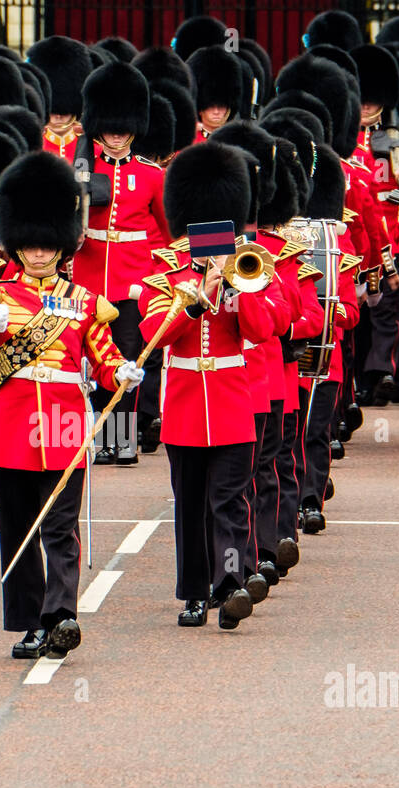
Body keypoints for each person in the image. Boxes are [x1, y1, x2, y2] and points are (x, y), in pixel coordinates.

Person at [0, 150, 142, 659]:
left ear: (61, 244)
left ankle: (61, 615)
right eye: (31, 247)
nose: (39, 255)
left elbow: (102, 355)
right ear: (17, 245)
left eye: (47, 246)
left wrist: (121, 372)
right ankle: (28, 621)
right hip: (12, 419)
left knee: (59, 526)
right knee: (17, 528)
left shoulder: (84, 301)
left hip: (61, 421)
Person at [138, 141, 277, 629]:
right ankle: (195, 592)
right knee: (191, 502)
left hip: (232, 401)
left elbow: (264, 330)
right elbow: (155, 334)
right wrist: (200, 293)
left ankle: (232, 585)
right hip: (182, 403)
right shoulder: (164, 272)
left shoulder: (249, 267)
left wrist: (238, 289)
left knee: (229, 501)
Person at [72, 60, 171, 465]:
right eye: (110, 126)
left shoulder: (150, 175)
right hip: (88, 278)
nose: (116, 134)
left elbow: (166, 235)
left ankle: (121, 440)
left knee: (128, 361)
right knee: (95, 360)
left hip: (132, 282)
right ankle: (100, 436)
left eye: (123, 126)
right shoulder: (79, 170)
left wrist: (158, 281)